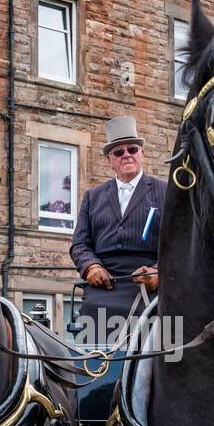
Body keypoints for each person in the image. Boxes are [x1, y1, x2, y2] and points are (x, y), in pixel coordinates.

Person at [68, 116, 165, 339]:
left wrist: (159, 272)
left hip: (148, 282)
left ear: (142, 153)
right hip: (105, 283)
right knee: (93, 311)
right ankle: (95, 370)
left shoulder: (165, 191)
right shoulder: (93, 196)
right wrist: (91, 267)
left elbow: (179, 244)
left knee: (159, 318)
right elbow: (79, 244)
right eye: (118, 152)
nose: (126, 155)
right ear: (109, 160)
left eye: (132, 148)